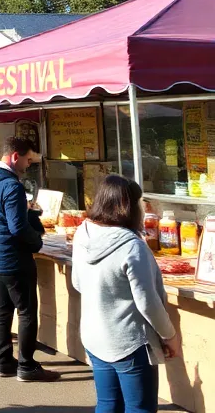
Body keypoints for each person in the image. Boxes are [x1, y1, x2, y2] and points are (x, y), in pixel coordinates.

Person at [72, 175, 179, 412]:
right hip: (129, 342)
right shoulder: (132, 245)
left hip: (94, 335)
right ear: (130, 206)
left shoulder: (83, 233)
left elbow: (77, 282)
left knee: (108, 405)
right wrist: (169, 335)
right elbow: (148, 302)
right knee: (139, 407)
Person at [0, 131, 57, 382]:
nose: (29, 166)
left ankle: (4, 362)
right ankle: (27, 366)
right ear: (15, 157)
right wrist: (36, 240)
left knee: (3, 310)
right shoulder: (12, 186)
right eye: (28, 161)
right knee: (26, 311)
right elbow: (17, 228)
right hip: (13, 258)